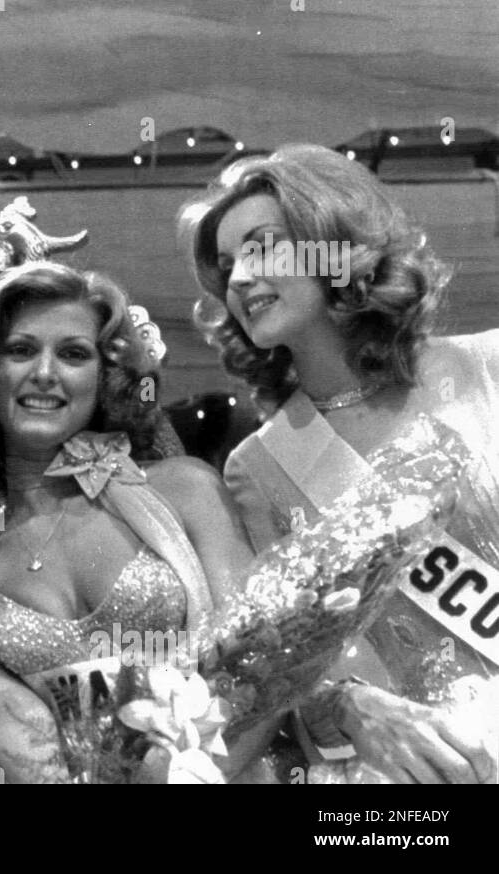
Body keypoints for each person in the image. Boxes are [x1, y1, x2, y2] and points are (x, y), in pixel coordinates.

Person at [179, 143, 497, 783]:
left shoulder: (487, 369)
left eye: (263, 246)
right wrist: (348, 705)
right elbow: (299, 664)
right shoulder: (258, 467)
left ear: (336, 247)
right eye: (226, 264)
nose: (240, 278)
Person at [0, 261, 270, 783]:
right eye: (21, 350)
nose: (45, 372)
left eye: (72, 353)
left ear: (106, 376)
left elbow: (264, 665)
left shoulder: (184, 489)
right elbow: (22, 749)